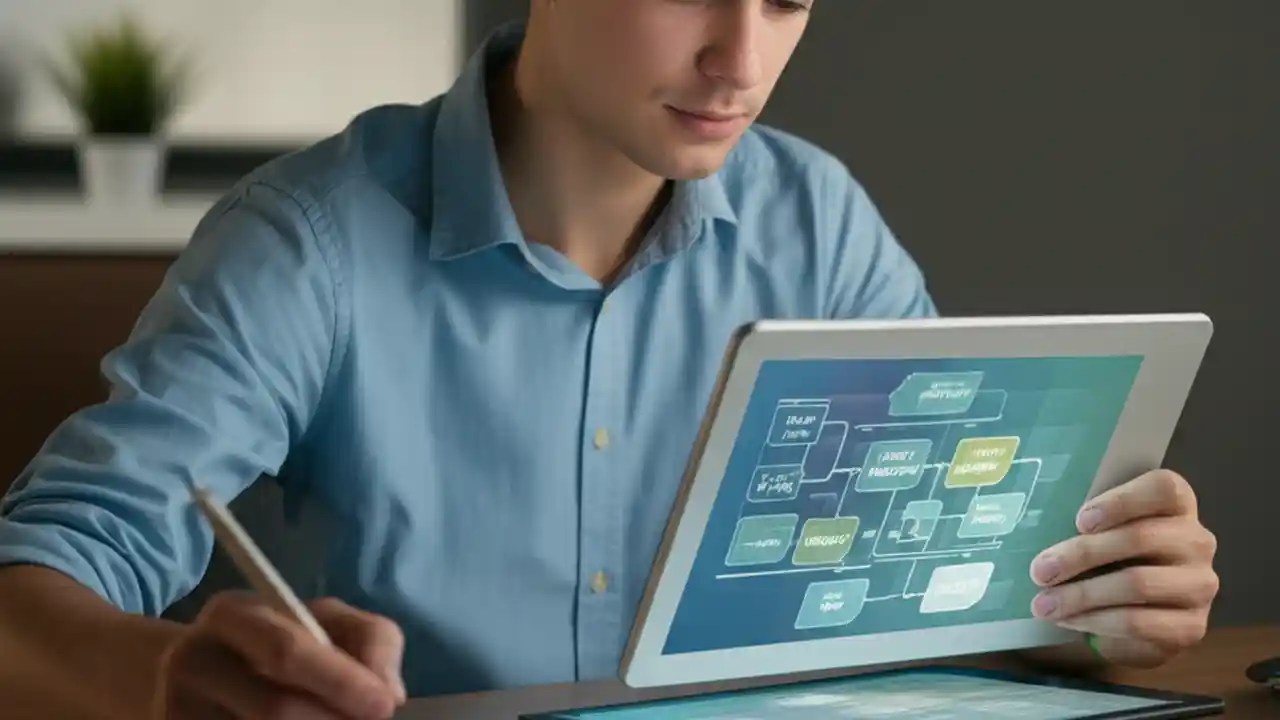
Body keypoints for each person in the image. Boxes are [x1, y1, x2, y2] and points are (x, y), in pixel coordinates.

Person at [0, 2, 1219, 719]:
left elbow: (917, 596)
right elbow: (28, 586)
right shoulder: (308, 243)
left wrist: (1094, 609)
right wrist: (168, 680)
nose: (740, 62)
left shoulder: (819, 225)